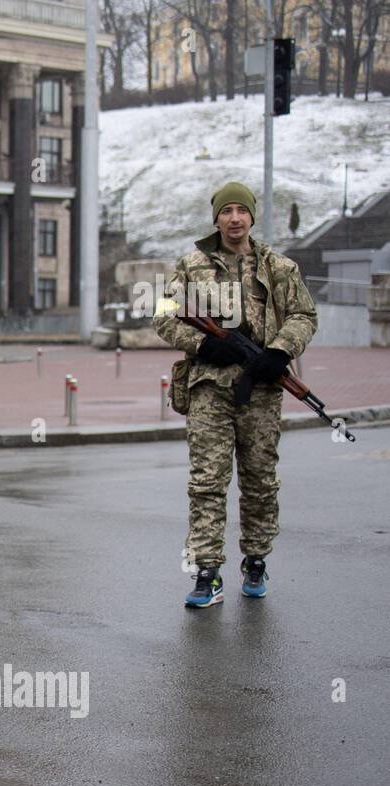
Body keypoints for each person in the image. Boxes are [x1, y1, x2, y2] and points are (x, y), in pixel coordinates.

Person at [153, 182, 317, 607]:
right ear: (216, 218)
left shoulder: (278, 267)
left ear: (251, 217)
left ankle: (256, 559)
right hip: (208, 388)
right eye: (225, 211)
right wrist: (204, 345)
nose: (234, 218)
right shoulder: (191, 265)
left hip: (261, 390)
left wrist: (280, 351)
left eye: (240, 211)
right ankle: (207, 573)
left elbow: (303, 314)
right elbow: (165, 314)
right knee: (207, 482)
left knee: (260, 481)